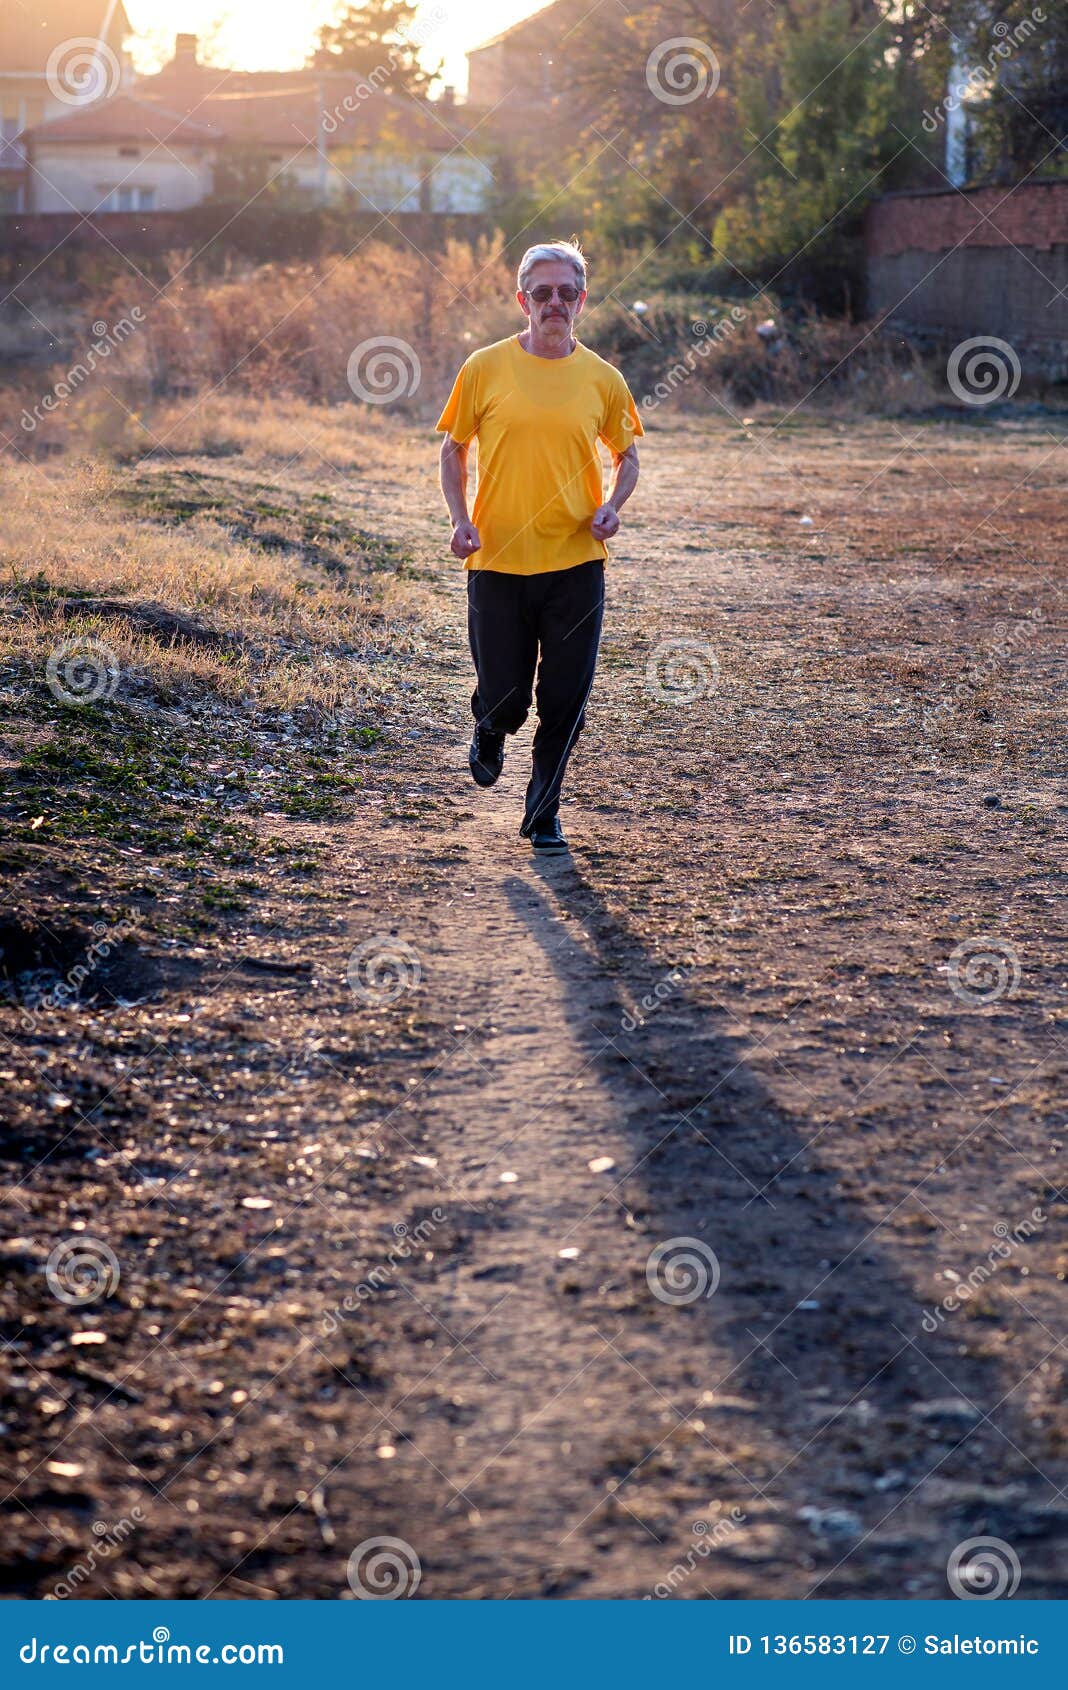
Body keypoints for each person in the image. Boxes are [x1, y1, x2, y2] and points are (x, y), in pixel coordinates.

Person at [436, 239, 642, 854]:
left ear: (582, 300)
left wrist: (613, 504)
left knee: (565, 697)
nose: (556, 302)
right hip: (496, 557)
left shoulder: (603, 379)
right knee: (505, 693)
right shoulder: (484, 367)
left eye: (567, 292)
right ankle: (491, 727)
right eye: (543, 292)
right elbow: (453, 447)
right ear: (523, 299)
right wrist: (459, 517)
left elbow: (627, 458)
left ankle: (544, 810)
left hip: (577, 562)